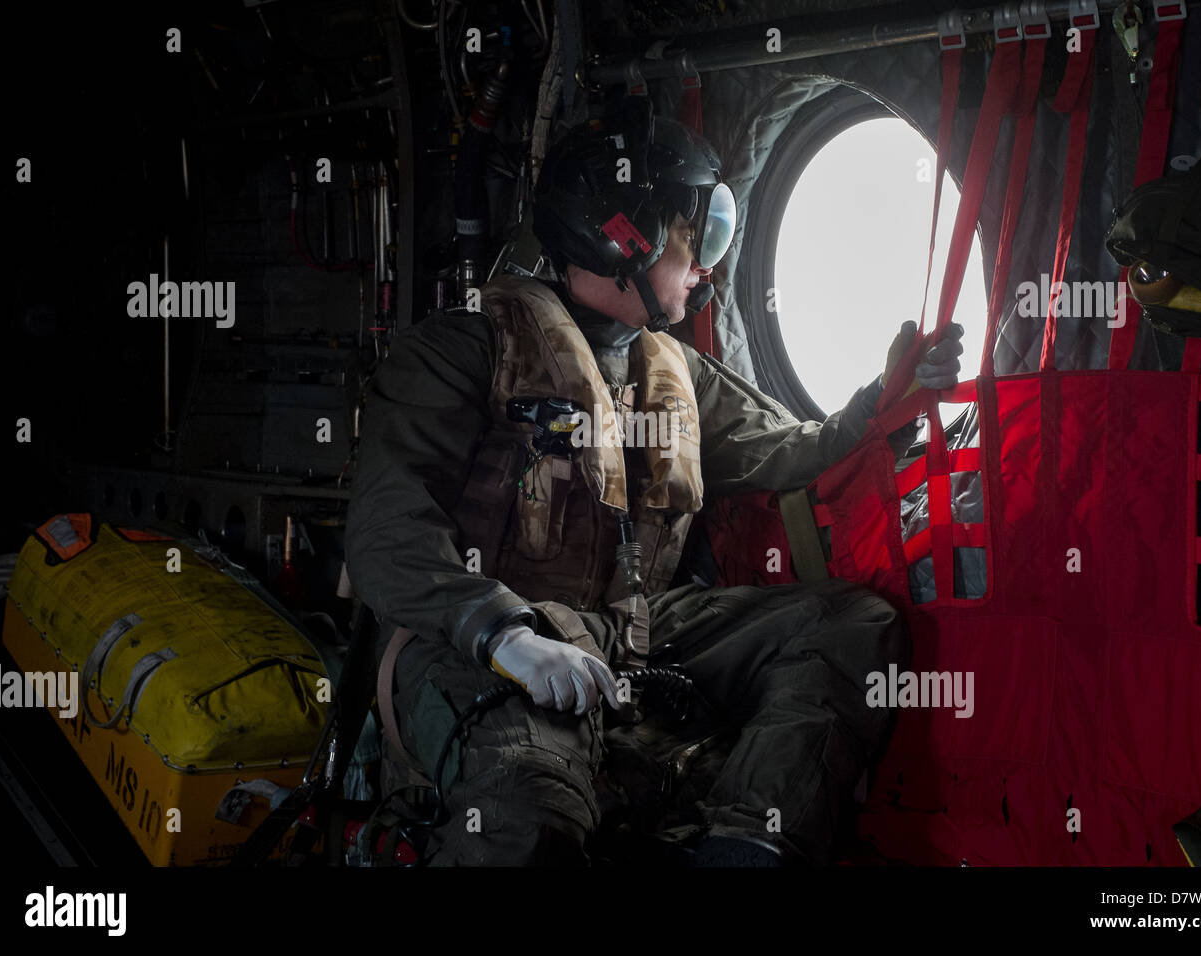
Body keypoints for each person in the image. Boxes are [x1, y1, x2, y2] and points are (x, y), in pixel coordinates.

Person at [344, 107, 965, 866]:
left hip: (633, 631)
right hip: (475, 639)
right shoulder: (465, 352)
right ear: (623, 239)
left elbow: (795, 452)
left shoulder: (673, 373)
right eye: (694, 239)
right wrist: (503, 634)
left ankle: (743, 847)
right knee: (527, 817)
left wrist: (884, 399)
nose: (709, 265)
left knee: (850, 623)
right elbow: (385, 530)